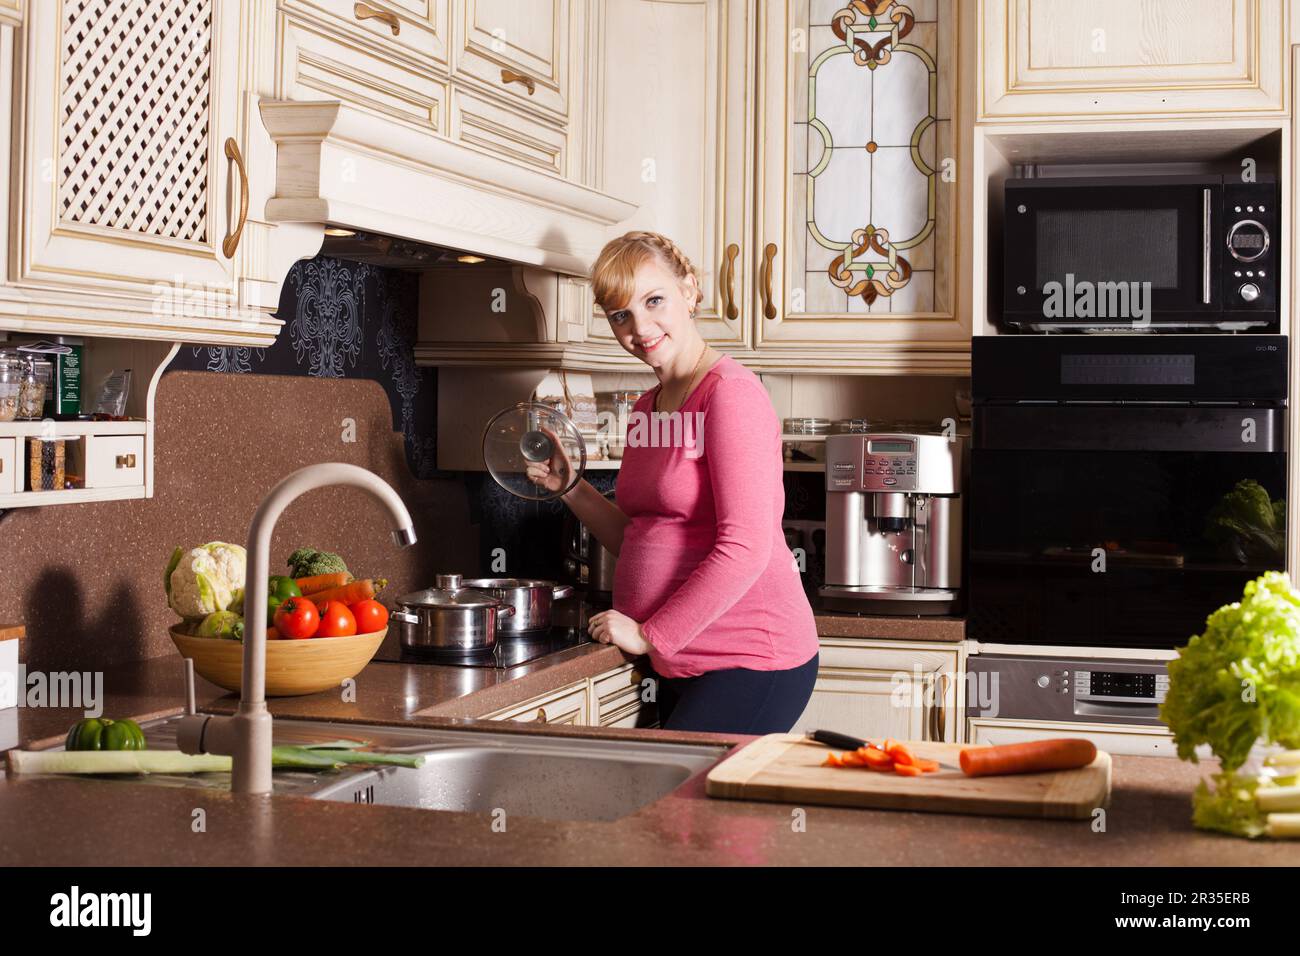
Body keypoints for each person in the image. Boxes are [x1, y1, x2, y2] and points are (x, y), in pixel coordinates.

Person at [528, 230, 820, 734]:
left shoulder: (729, 396)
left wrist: (650, 634)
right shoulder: (650, 405)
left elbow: (746, 545)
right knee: (694, 812)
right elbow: (640, 534)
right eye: (621, 315)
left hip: (749, 657)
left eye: (654, 300)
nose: (640, 328)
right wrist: (570, 486)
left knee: (688, 809)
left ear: (689, 291)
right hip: (682, 658)